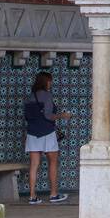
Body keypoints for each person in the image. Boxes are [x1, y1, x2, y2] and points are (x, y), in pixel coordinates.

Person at [24, 71, 71, 204]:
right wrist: (63, 115)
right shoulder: (47, 95)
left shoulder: (30, 97)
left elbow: (27, 117)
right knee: (53, 163)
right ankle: (54, 194)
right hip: (47, 132)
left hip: (32, 133)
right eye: (50, 81)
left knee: (34, 165)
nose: (51, 83)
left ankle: (32, 196)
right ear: (45, 82)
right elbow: (49, 116)